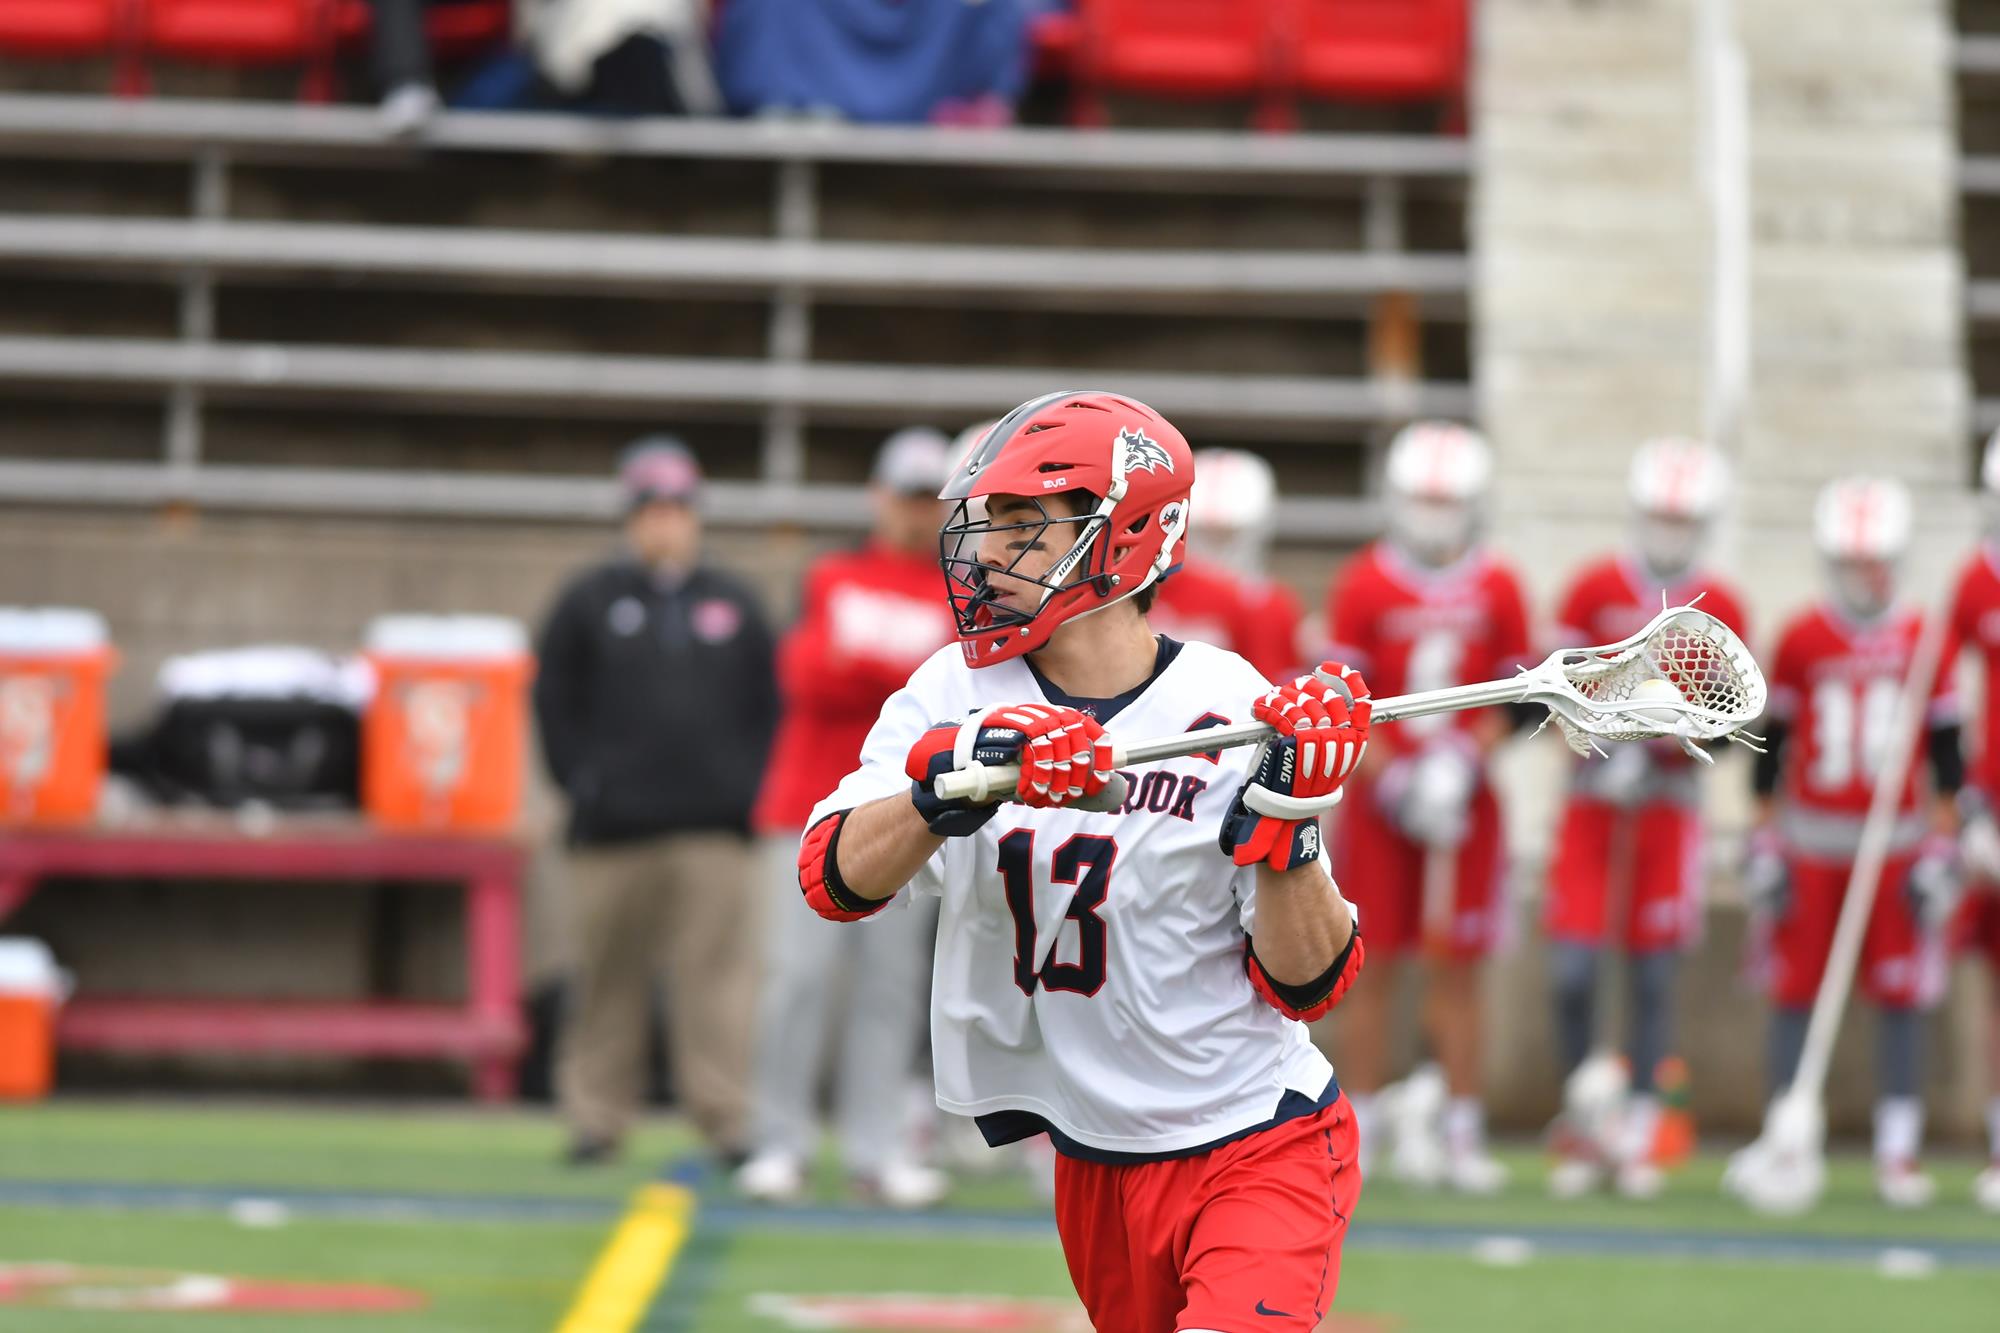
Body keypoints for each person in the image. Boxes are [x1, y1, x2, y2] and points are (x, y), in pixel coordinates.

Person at [798, 391, 1368, 1331]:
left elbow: (1308, 983)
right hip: (1093, 1157)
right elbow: (831, 875)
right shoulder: (955, 689)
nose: (986, 551)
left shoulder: (1229, 704)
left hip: (1256, 1135)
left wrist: (1288, 826)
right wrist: (951, 781)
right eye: (986, 520)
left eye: (1021, 522)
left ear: (1123, 538)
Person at [533, 437, 778, 1165]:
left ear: (694, 514)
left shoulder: (734, 603)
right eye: (650, 509)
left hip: (713, 829)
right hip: (613, 831)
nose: (664, 522)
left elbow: (770, 706)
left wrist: (746, 790)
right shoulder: (588, 601)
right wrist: (584, 782)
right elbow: (552, 702)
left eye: (676, 508)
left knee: (718, 981)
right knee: (606, 978)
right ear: (630, 516)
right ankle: (597, 1117)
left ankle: (725, 1117)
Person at [736, 428, 957, 1209]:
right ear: (877, 497)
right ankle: (779, 1142)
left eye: (929, 499)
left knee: (890, 986)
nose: (915, 512)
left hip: (904, 814)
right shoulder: (833, 574)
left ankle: (877, 1148)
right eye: (905, 496)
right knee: (798, 979)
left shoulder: (955, 592)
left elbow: (946, 697)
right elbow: (807, 678)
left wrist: (863, 670)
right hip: (807, 803)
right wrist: (894, 678)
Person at [1319, 421, 1531, 1195]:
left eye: (1448, 502)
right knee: (1369, 965)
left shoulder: (1499, 584)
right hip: (1383, 803)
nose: (1435, 516)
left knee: (1460, 969)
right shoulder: (1365, 582)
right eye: (1423, 500)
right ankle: (1363, 1127)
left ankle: (1460, 1127)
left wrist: (1465, 757)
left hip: (1465, 805)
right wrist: (1397, 773)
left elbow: (1523, 696)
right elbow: (1341, 697)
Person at [1542, 438, 1751, 1200]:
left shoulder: (1720, 606)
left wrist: (1667, 746)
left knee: (1654, 975)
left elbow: (1730, 721)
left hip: (1667, 812)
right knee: (1573, 971)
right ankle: (1583, 1115)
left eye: (1683, 518)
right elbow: (1551, 689)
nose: (1670, 530)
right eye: (1661, 515)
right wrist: (1598, 741)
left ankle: (1636, 1124)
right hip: (1595, 805)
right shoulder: (1594, 588)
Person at [1742, 475, 1959, 1209]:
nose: (1865, 576)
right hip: (1811, 846)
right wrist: (1764, 838)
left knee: (1900, 996)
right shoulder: (1803, 636)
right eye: (1852, 562)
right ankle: (1785, 1133)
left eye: (1876, 562)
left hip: (1894, 846)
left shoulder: (1922, 638)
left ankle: (1898, 1148)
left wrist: (1941, 844)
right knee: (1794, 993)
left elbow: (1947, 752)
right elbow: (1771, 746)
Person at [1942, 431, 2000, 1213]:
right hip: (1995, 809)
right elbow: (1941, 698)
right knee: (1995, 987)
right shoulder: (1975, 582)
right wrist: (1967, 807)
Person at [1149, 447, 1307, 683]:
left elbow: (1271, 690)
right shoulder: (1151, 587)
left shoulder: (1269, 604)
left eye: (1228, 536)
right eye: (1207, 535)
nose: (1216, 549)